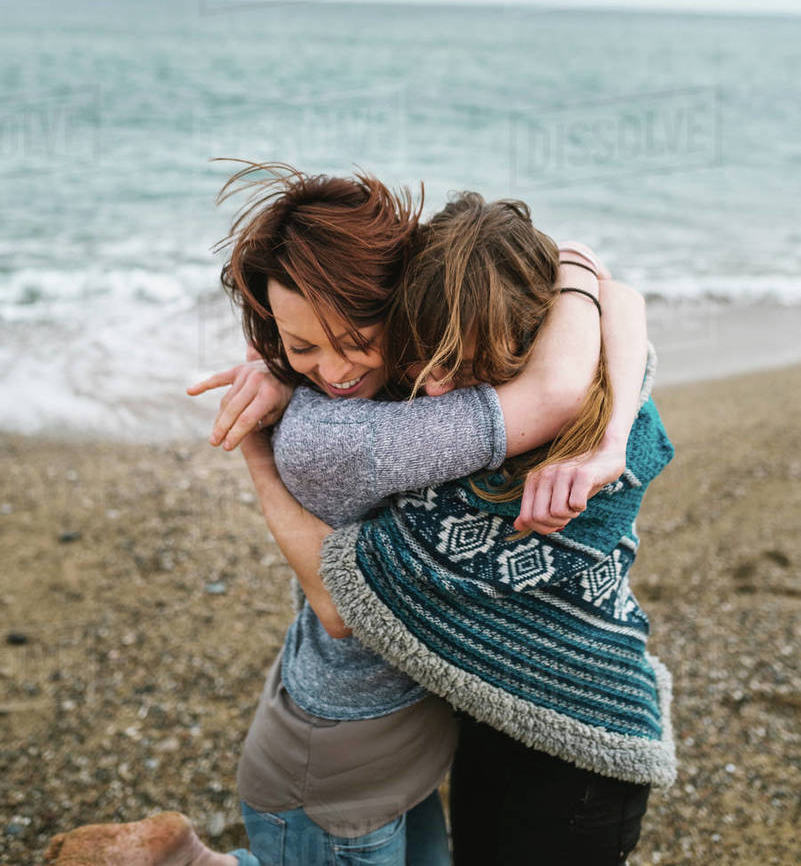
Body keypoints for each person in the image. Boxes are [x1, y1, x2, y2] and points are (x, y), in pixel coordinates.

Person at [45, 169, 667, 866]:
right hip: (343, 743)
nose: (335, 372)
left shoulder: (428, 369)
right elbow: (553, 387)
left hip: (430, 728)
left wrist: (610, 434)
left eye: (353, 336)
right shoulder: (342, 436)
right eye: (300, 346)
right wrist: (260, 441)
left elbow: (586, 271)